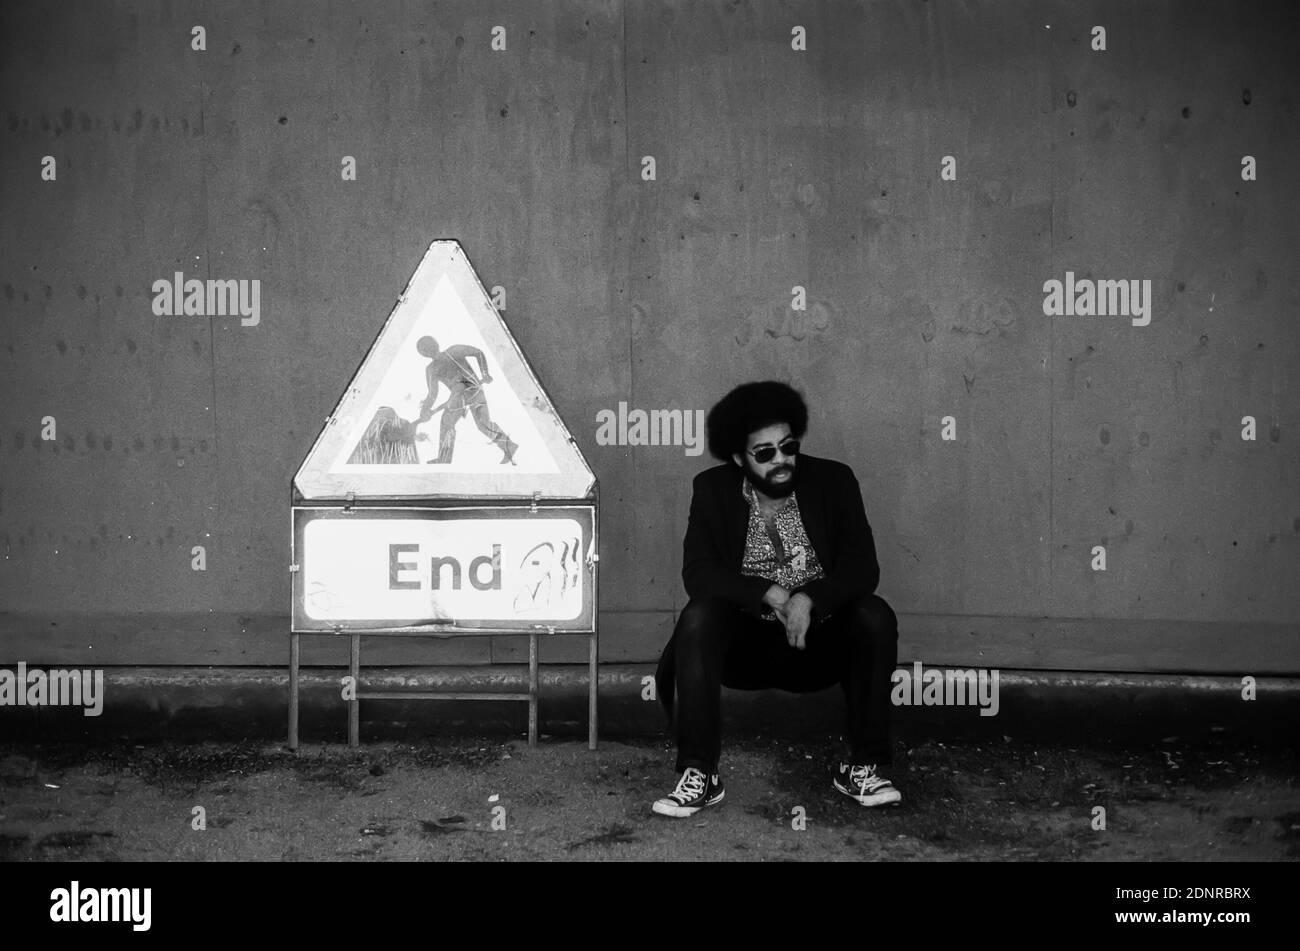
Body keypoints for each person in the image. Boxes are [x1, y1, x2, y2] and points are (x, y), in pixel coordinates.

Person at [652, 381, 901, 816]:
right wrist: (768, 594)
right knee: (699, 615)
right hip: (744, 645)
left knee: (875, 615)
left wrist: (809, 599)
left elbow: (864, 568)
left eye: (788, 447)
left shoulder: (834, 481)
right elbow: (698, 572)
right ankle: (700, 774)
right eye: (764, 453)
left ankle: (862, 766)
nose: (781, 460)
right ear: (738, 458)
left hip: (818, 641)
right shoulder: (712, 489)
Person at [413, 335, 518, 464]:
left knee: (467, 424)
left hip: (469, 391)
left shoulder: (450, 354)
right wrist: (425, 410)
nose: (428, 351)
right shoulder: (436, 365)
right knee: (476, 424)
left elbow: (478, 353)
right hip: (463, 394)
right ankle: (508, 445)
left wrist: (484, 373)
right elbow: (432, 394)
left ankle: (444, 459)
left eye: (426, 349)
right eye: (425, 349)